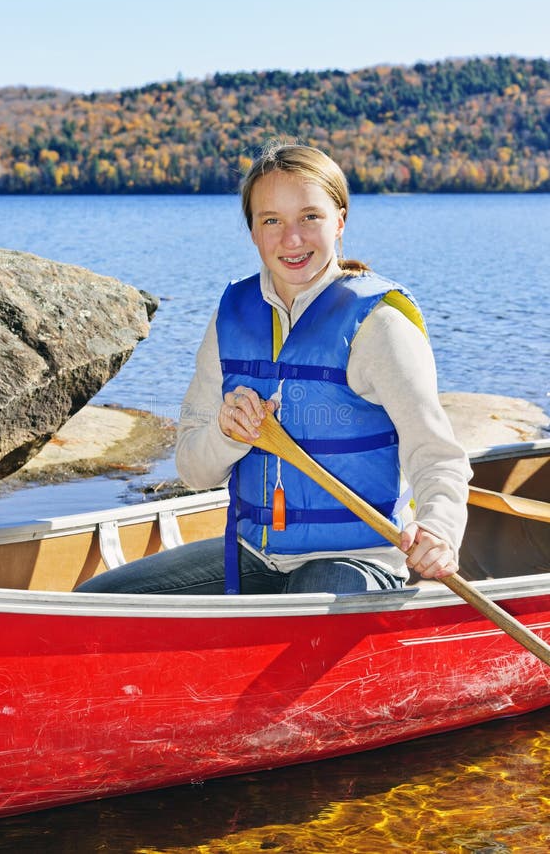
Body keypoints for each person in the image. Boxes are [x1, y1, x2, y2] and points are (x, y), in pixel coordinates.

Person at [76, 143, 472, 596]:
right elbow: (193, 471)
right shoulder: (232, 316)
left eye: (309, 217)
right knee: (97, 602)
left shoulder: (379, 324)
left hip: (356, 560)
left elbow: (436, 456)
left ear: (339, 220)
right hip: (252, 554)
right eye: (272, 221)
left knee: (305, 620)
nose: (292, 239)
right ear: (252, 231)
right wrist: (227, 435)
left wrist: (438, 530)